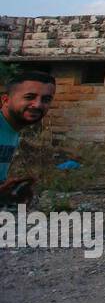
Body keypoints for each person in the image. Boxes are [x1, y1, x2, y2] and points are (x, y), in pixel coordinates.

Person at [0, 70, 56, 206]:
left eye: (46, 99)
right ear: (5, 100)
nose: (38, 105)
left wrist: (7, 193)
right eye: (29, 97)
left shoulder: (11, 130)